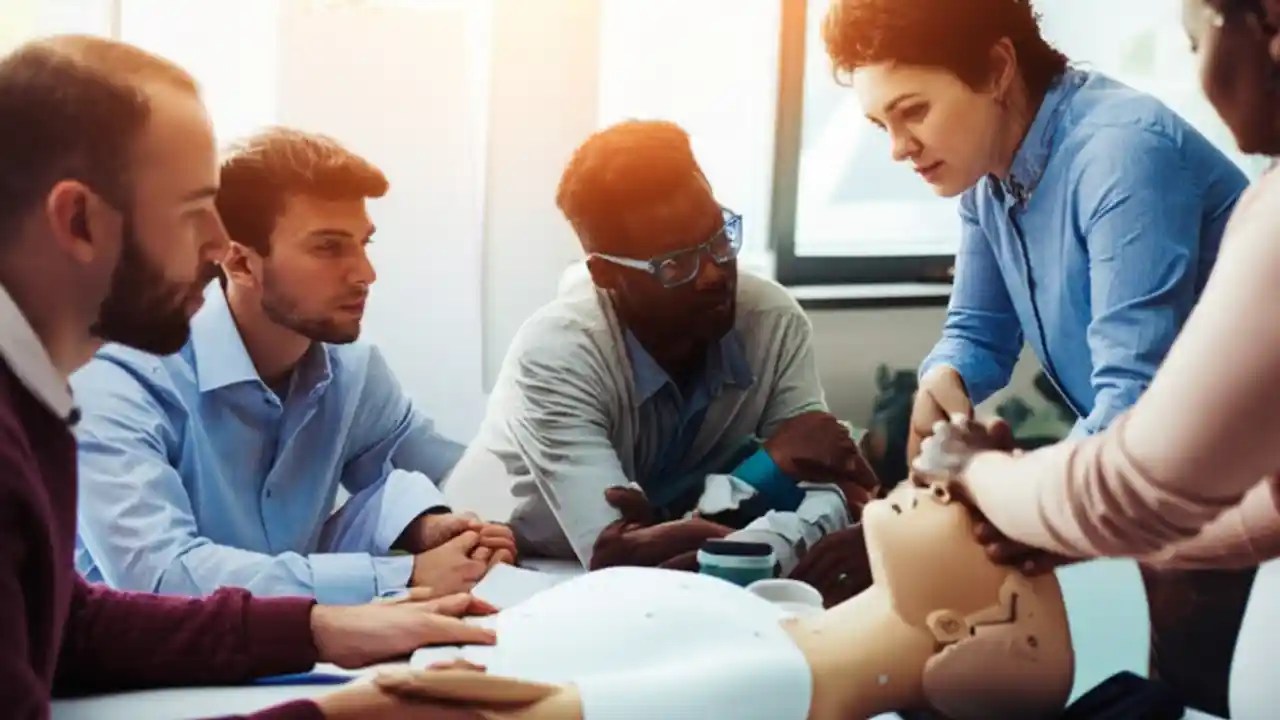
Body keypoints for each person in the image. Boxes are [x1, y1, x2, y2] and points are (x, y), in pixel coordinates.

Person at [0, 34, 507, 720]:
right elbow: (148, 579)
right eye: (191, 210)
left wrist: (321, 626)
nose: (217, 246)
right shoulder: (76, 398)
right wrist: (345, 709)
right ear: (79, 219)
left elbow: (66, 621)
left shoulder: (33, 394)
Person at [820, 0, 1255, 711]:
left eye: (913, 111)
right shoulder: (988, 170)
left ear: (995, 68)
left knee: (1196, 693)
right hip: (1170, 476)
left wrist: (998, 500)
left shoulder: (1122, 155)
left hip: (1232, 488)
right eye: (880, 125)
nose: (898, 147)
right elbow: (978, 331)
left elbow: (1129, 404)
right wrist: (946, 374)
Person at [71, 127, 516, 605]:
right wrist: (399, 575)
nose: (365, 274)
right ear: (240, 263)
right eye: (328, 247)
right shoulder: (118, 375)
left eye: (364, 243)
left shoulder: (353, 371)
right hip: (137, 672)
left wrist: (435, 527)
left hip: (292, 657)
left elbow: (454, 475)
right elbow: (159, 577)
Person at [450, 120, 879, 591]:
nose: (714, 275)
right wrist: (768, 476)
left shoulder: (771, 320)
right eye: (675, 264)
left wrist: (686, 524)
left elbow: (831, 477)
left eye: (719, 240)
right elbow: (614, 559)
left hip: (665, 563)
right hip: (518, 564)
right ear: (606, 275)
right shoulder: (555, 354)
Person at [351, 481, 1075, 720]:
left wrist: (346, 700)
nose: (959, 487)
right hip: (427, 642)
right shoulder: (786, 626)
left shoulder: (776, 681)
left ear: (956, 626)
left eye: (990, 532)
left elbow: (515, 711)